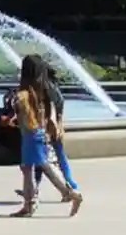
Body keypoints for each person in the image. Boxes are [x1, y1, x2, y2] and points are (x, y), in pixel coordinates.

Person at [12, 54, 82, 218]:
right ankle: (30, 204)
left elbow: (24, 113)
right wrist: (50, 124)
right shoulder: (42, 90)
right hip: (38, 133)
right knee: (31, 167)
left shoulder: (25, 92)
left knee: (42, 167)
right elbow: (48, 110)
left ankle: (70, 193)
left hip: (31, 135)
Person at [44, 64, 79, 193]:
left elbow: (51, 110)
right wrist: (60, 125)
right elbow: (60, 109)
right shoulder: (55, 89)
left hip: (49, 127)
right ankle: (71, 184)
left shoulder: (46, 88)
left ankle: (70, 186)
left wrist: (54, 126)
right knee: (60, 156)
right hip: (56, 126)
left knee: (43, 161)